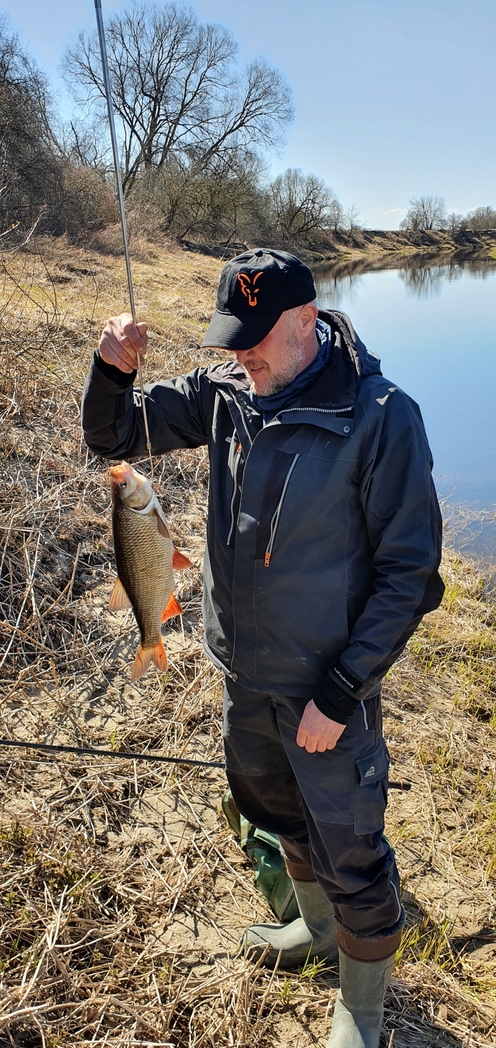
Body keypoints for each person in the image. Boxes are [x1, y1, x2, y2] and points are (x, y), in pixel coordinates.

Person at [82, 249, 444, 1048]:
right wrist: (112, 370)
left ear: (308, 321)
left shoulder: (380, 416)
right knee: (275, 810)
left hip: (327, 689)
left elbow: (409, 573)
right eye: (231, 337)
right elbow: (113, 436)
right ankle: (314, 933)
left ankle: (364, 1005)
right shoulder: (226, 395)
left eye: (255, 337)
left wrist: (344, 691)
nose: (240, 354)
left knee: (350, 844)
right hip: (244, 672)